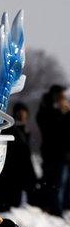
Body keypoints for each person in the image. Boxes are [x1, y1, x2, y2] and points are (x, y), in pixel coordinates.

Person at [0, 103, 38, 212]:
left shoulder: (24, 131)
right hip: (10, 173)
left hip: (16, 174)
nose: (22, 117)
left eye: (24, 114)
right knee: (7, 203)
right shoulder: (12, 130)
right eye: (20, 114)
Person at [37, 85, 70, 215]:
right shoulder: (47, 110)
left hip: (64, 155)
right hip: (52, 154)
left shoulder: (62, 111)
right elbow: (53, 131)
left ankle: (61, 208)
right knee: (55, 184)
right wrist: (62, 113)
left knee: (62, 185)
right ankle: (55, 211)